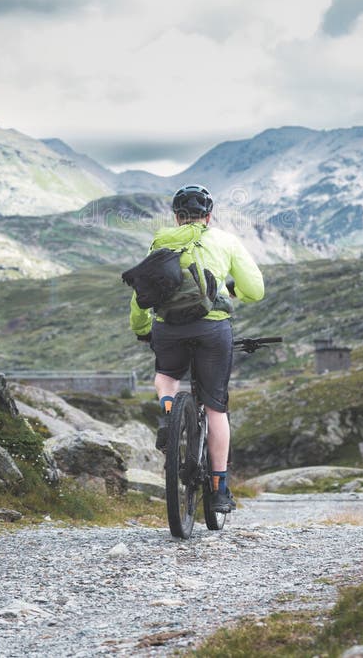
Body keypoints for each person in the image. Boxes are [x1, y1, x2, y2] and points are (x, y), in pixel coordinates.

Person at [129, 183, 264, 513]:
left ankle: (167, 413)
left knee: (166, 376)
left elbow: (143, 292)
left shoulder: (160, 242)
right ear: (209, 215)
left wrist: (143, 329)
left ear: (176, 217)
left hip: (168, 328)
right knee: (216, 409)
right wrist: (233, 294)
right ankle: (219, 489)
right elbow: (255, 290)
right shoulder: (225, 241)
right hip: (212, 329)